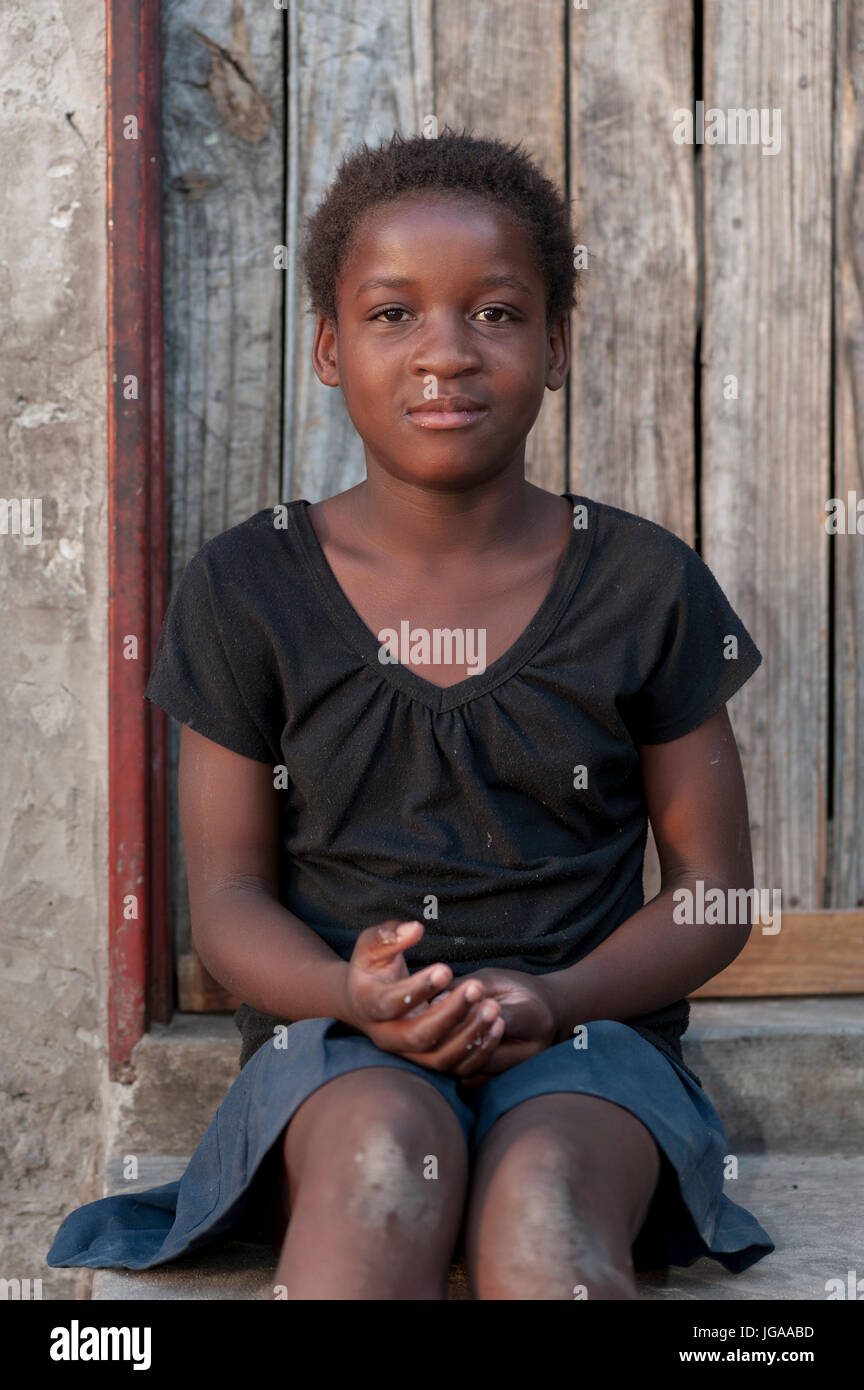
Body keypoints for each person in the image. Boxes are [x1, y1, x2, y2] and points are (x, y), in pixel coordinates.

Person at [48, 127, 774, 1299]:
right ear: (329, 347)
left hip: (591, 1045)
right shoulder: (249, 587)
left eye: (495, 312)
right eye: (393, 315)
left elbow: (714, 892)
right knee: (387, 1164)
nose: (446, 352)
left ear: (555, 347)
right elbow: (228, 900)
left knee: (541, 1206)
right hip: (338, 1047)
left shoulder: (642, 581)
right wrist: (352, 991)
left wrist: (554, 997)